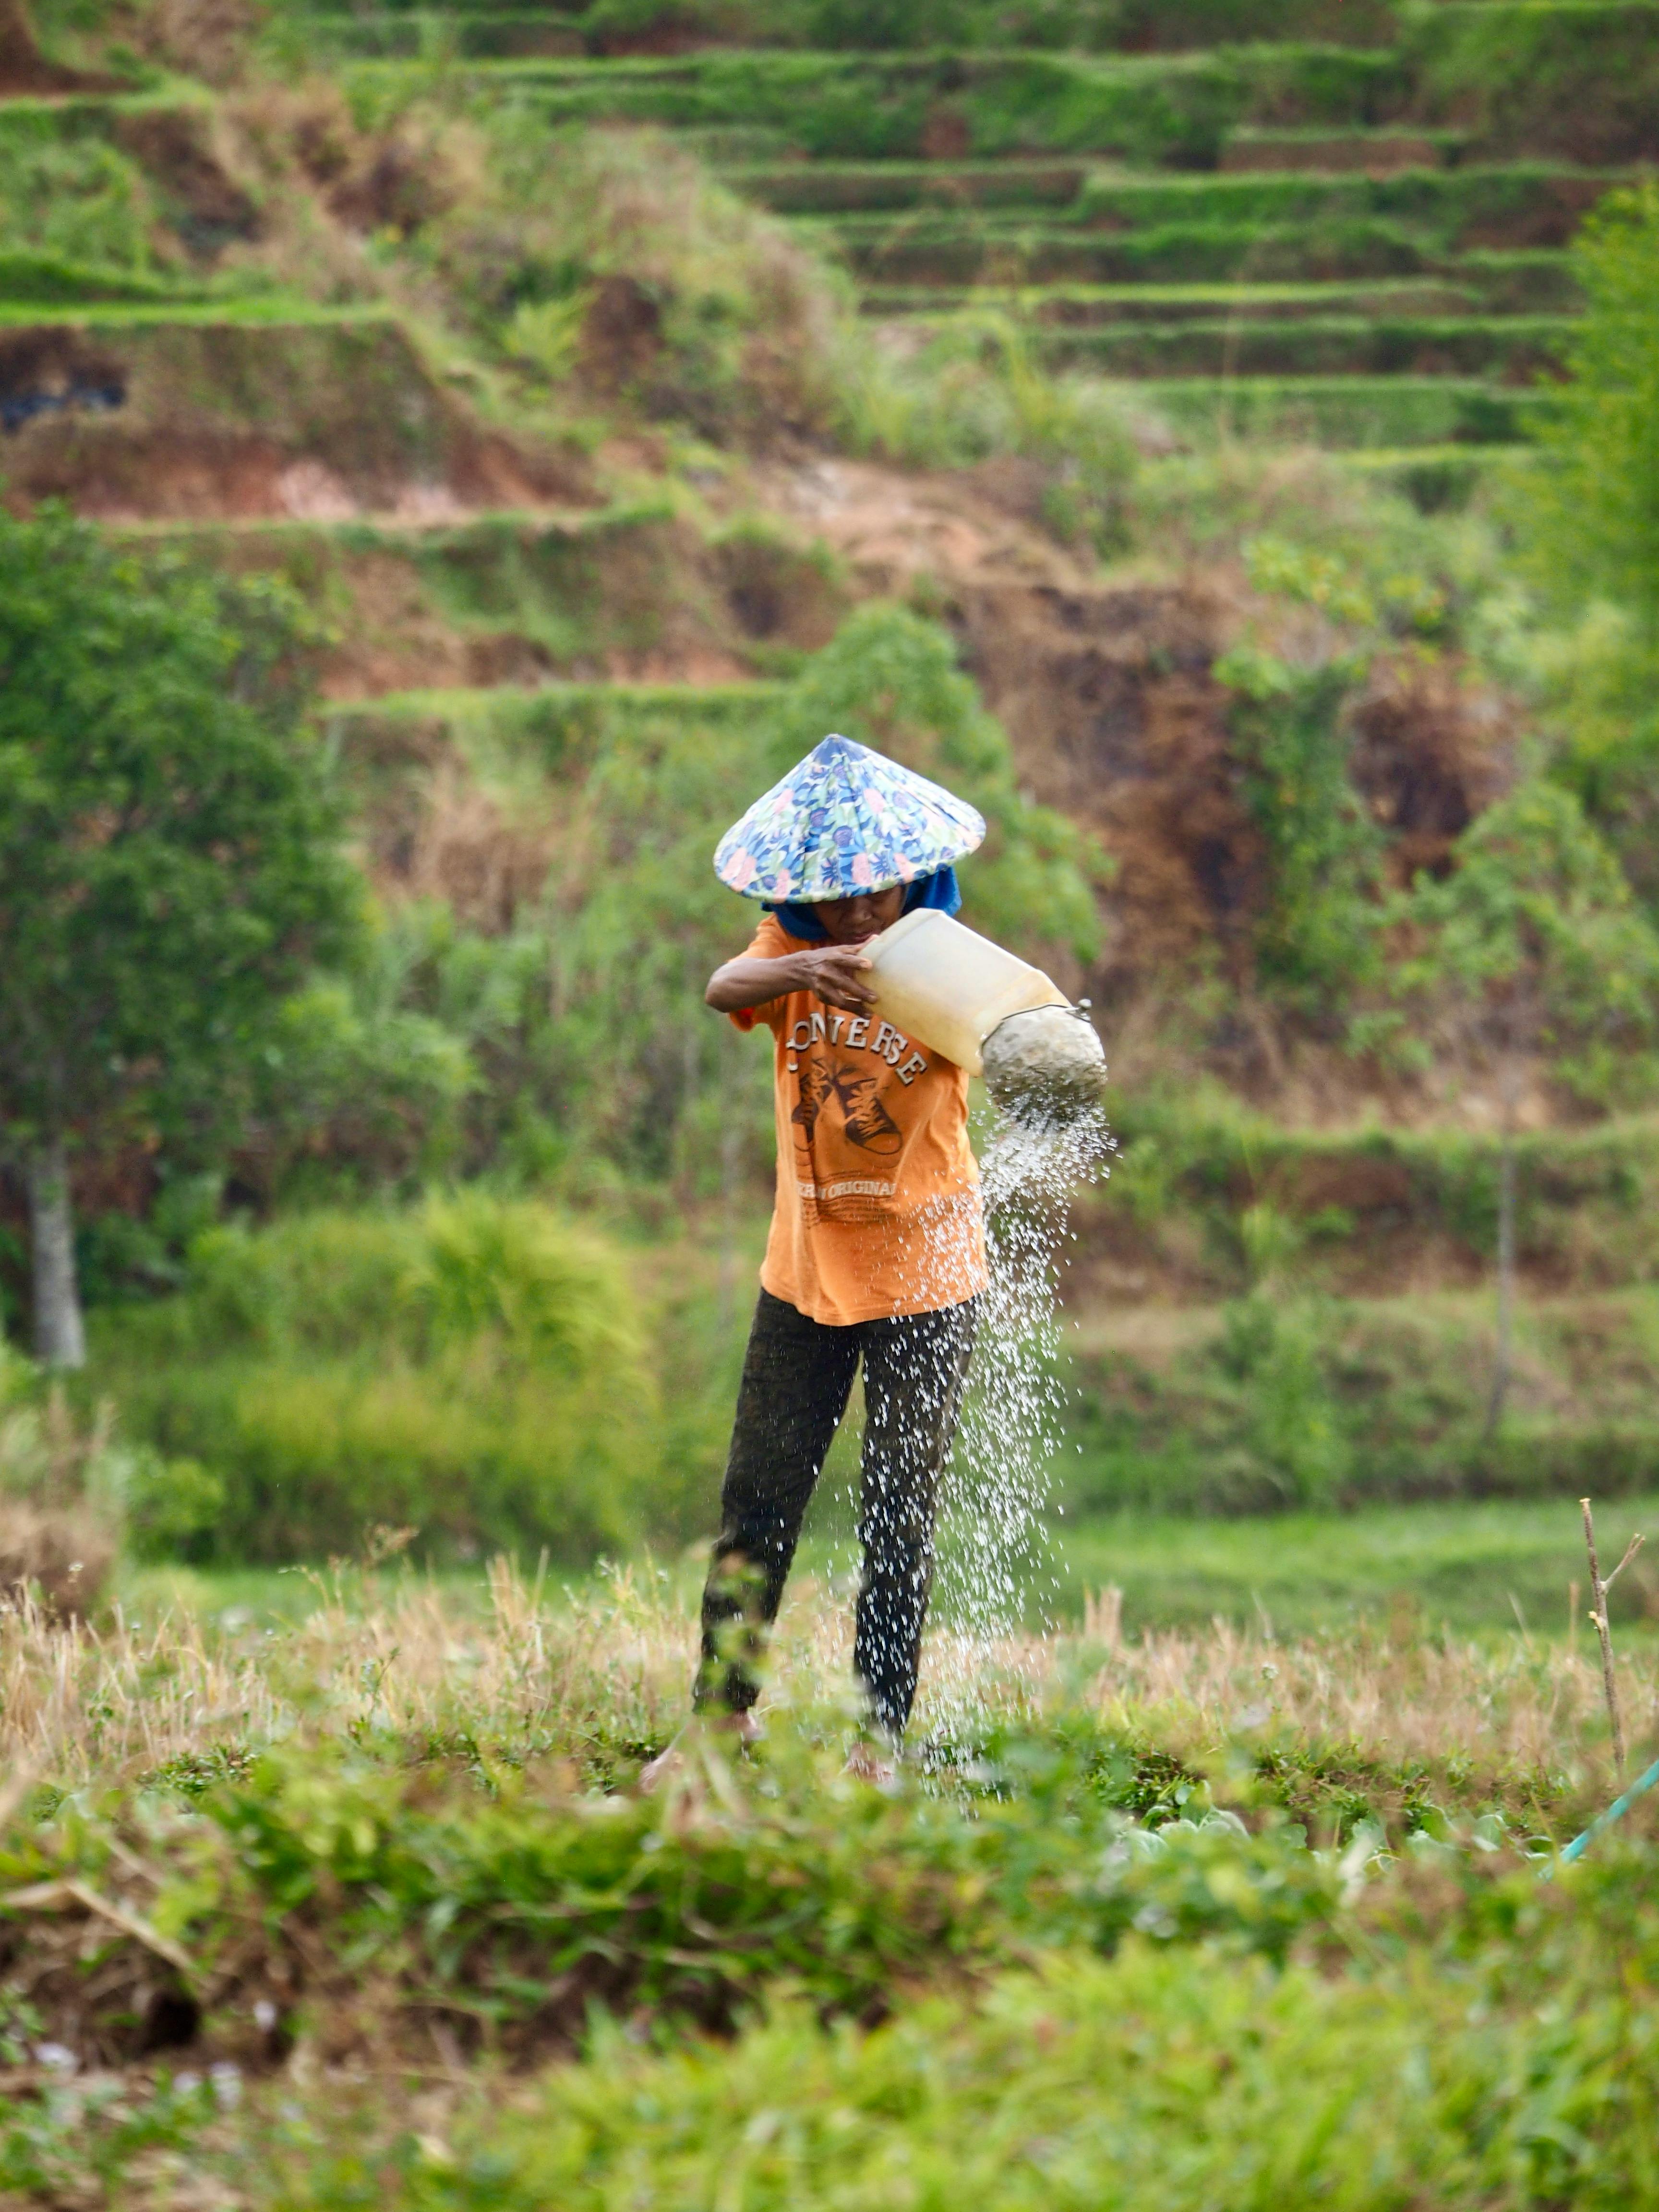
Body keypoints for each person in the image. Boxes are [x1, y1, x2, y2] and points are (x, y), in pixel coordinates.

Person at [643, 733, 989, 1790]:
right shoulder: (784, 955)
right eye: (834, 897)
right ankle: (717, 1724)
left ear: (910, 878)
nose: (857, 915)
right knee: (758, 1501)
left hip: (926, 1280)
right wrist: (802, 967)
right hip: (803, 1274)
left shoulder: (944, 961)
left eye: (874, 893)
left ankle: (879, 1746)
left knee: (897, 1514)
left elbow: (1026, 1027)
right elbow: (720, 986)